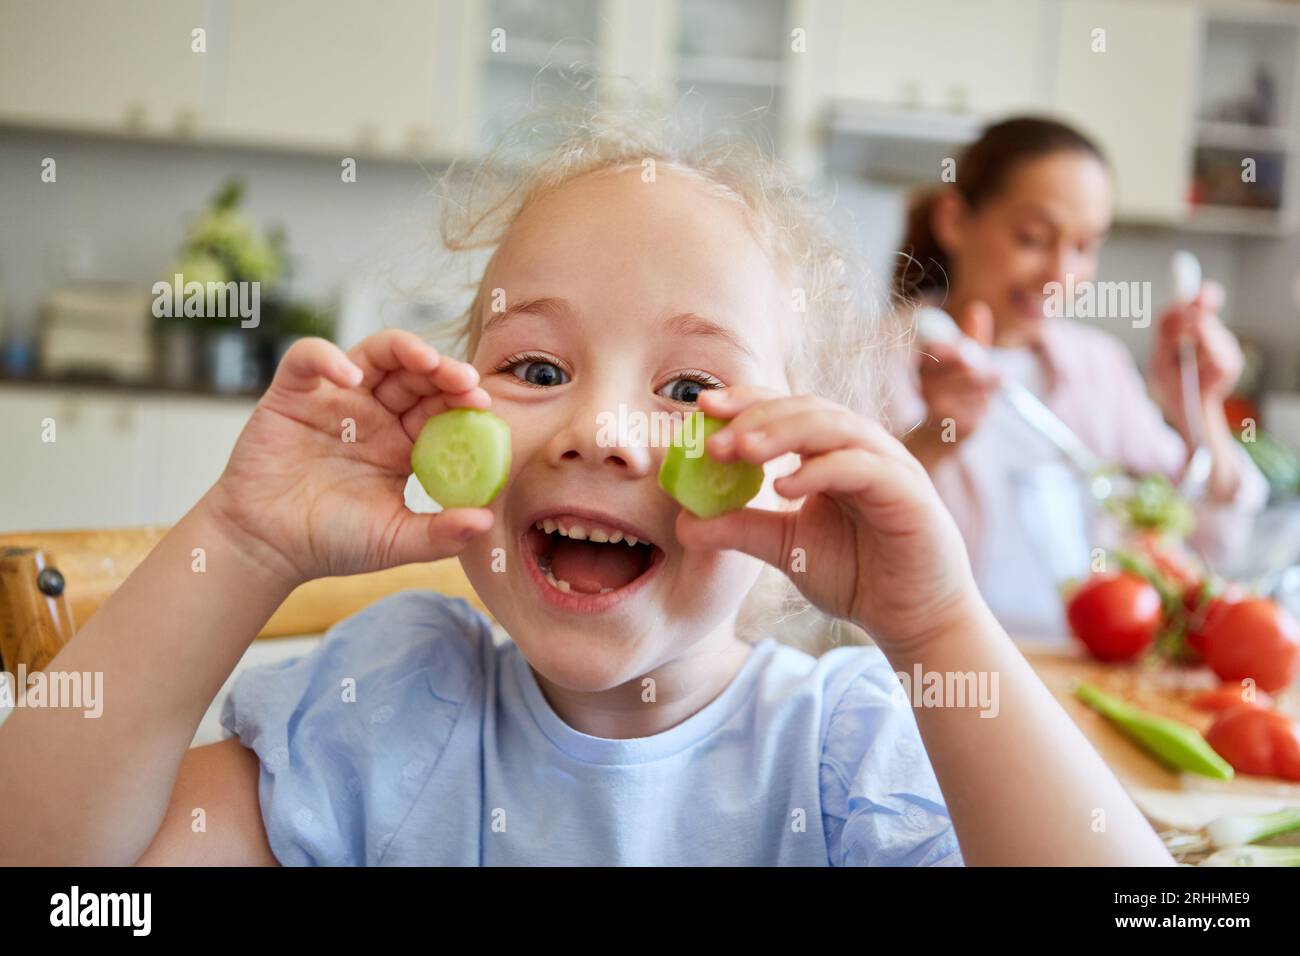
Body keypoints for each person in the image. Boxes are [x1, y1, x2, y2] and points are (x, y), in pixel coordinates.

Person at [0, 108, 1172, 866]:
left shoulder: (848, 756)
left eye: (689, 386)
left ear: (800, 462)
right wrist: (243, 546)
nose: (602, 431)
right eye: (537, 367)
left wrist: (933, 624)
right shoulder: (388, 715)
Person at [888, 117, 1268, 637]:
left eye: (1085, 246)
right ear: (955, 220)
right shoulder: (873, 359)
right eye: (1033, 237)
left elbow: (1210, 543)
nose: (1060, 274)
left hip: (1078, 674)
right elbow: (836, 537)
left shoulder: (1099, 365)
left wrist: (1198, 409)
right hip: (922, 682)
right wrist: (933, 440)